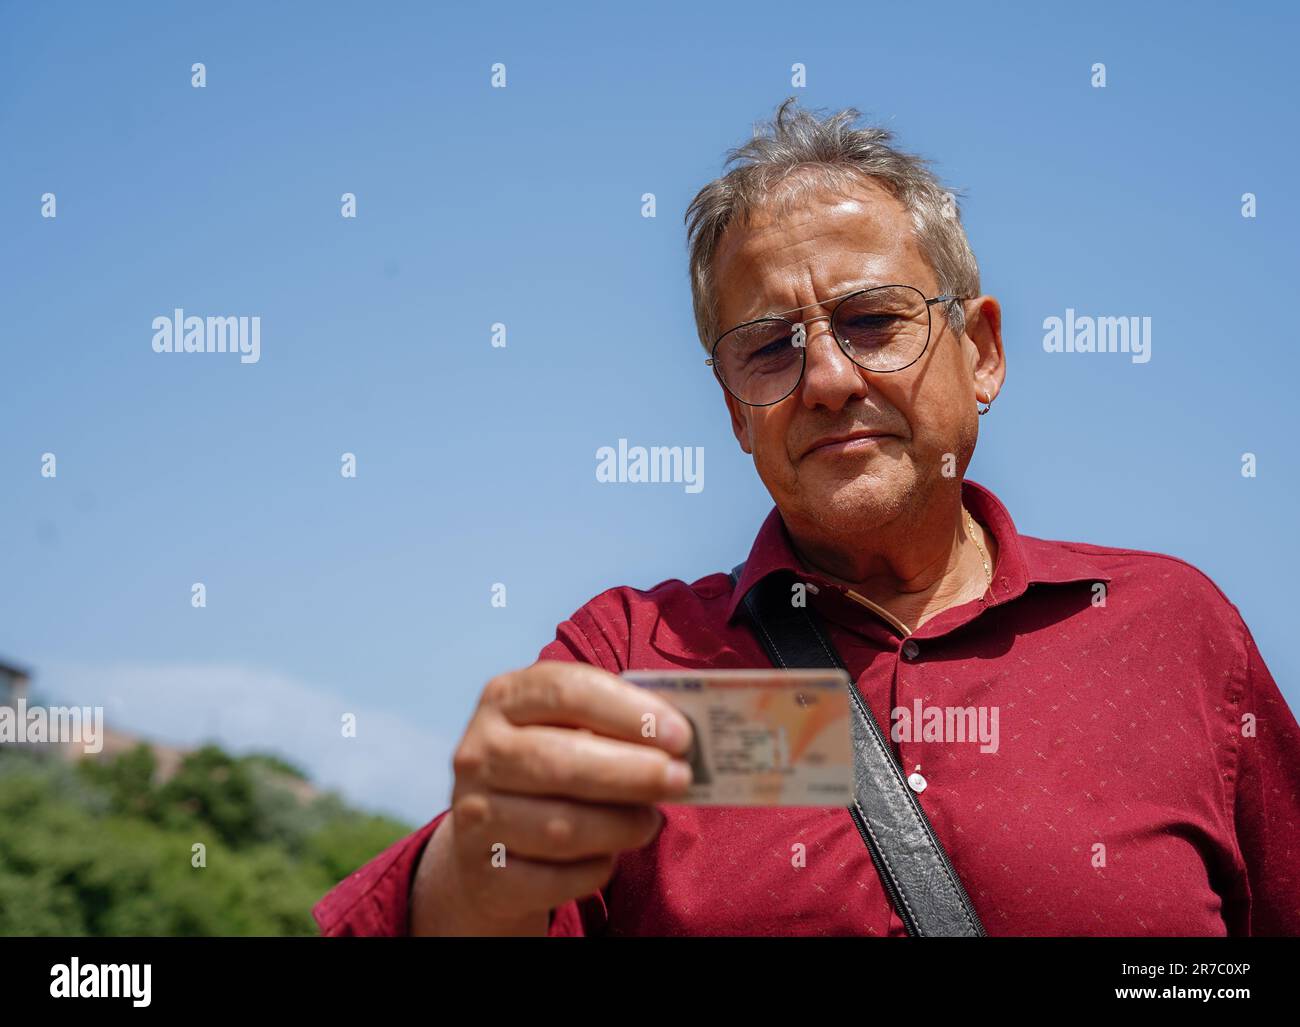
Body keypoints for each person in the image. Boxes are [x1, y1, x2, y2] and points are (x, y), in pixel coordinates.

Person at [313, 98, 1300, 937]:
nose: (826, 378)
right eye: (768, 347)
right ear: (735, 407)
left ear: (983, 350)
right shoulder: (632, 660)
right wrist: (472, 865)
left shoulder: (1167, 627)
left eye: (872, 319)